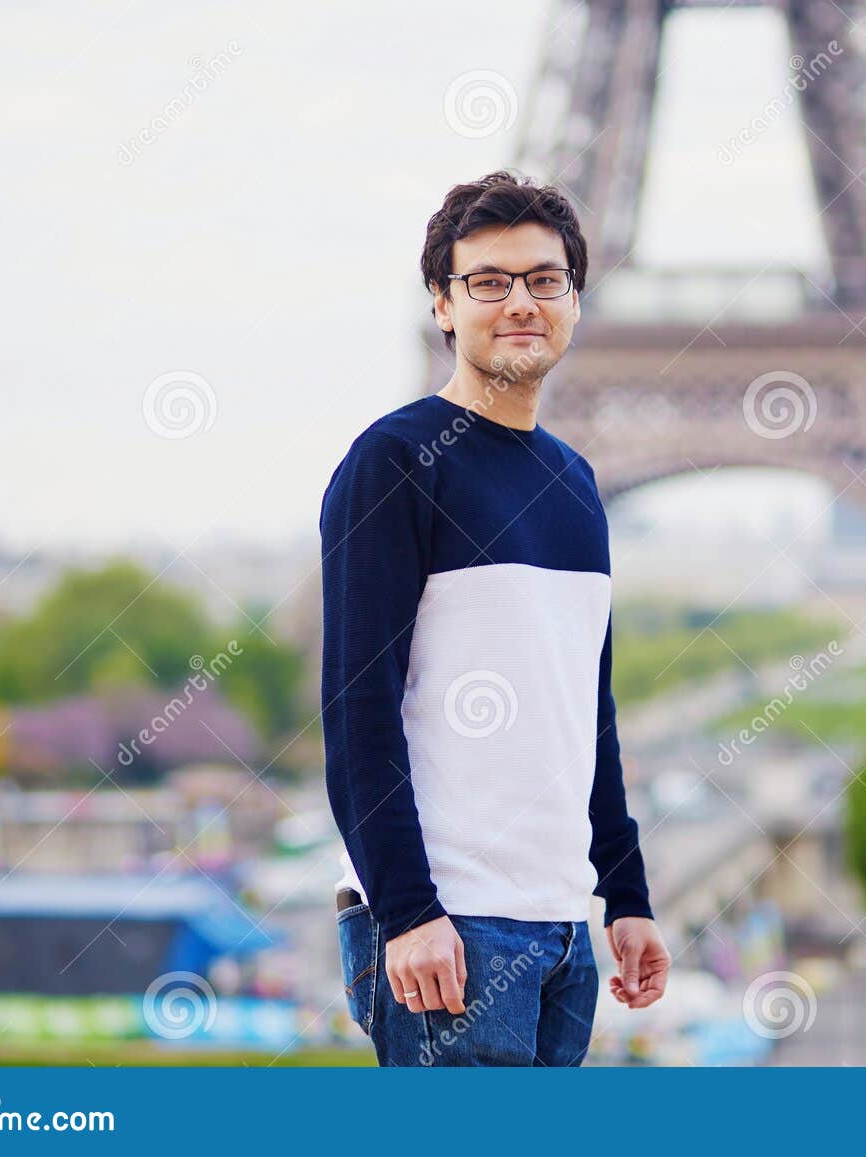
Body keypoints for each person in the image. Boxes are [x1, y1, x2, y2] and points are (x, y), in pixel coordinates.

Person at [320, 170, 670, 1066]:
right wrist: (408, 913)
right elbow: (358, 711)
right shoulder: (395, 462)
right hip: (453, 925)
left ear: (576, 301)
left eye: (544, 279)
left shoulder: (575, 483)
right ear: (443, 304)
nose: (520, 301)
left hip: (558, 928)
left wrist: (623, 895)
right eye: (488, 281)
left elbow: (583, 708)